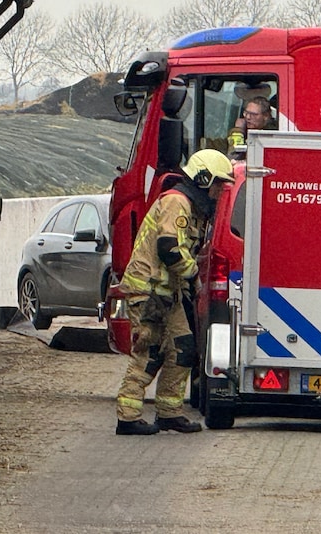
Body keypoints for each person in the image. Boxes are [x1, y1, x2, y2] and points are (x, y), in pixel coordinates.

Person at [114, 149, 235, 435]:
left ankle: (169, 412)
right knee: (149, 350)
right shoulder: (176, 203)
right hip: (149, 292)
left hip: (168, 292)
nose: (220, 191)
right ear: (204, 179)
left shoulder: (192, 208)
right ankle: (128, 417)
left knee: (183, 348)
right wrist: (195, 275)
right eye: (218, 183)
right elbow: (169, 248)